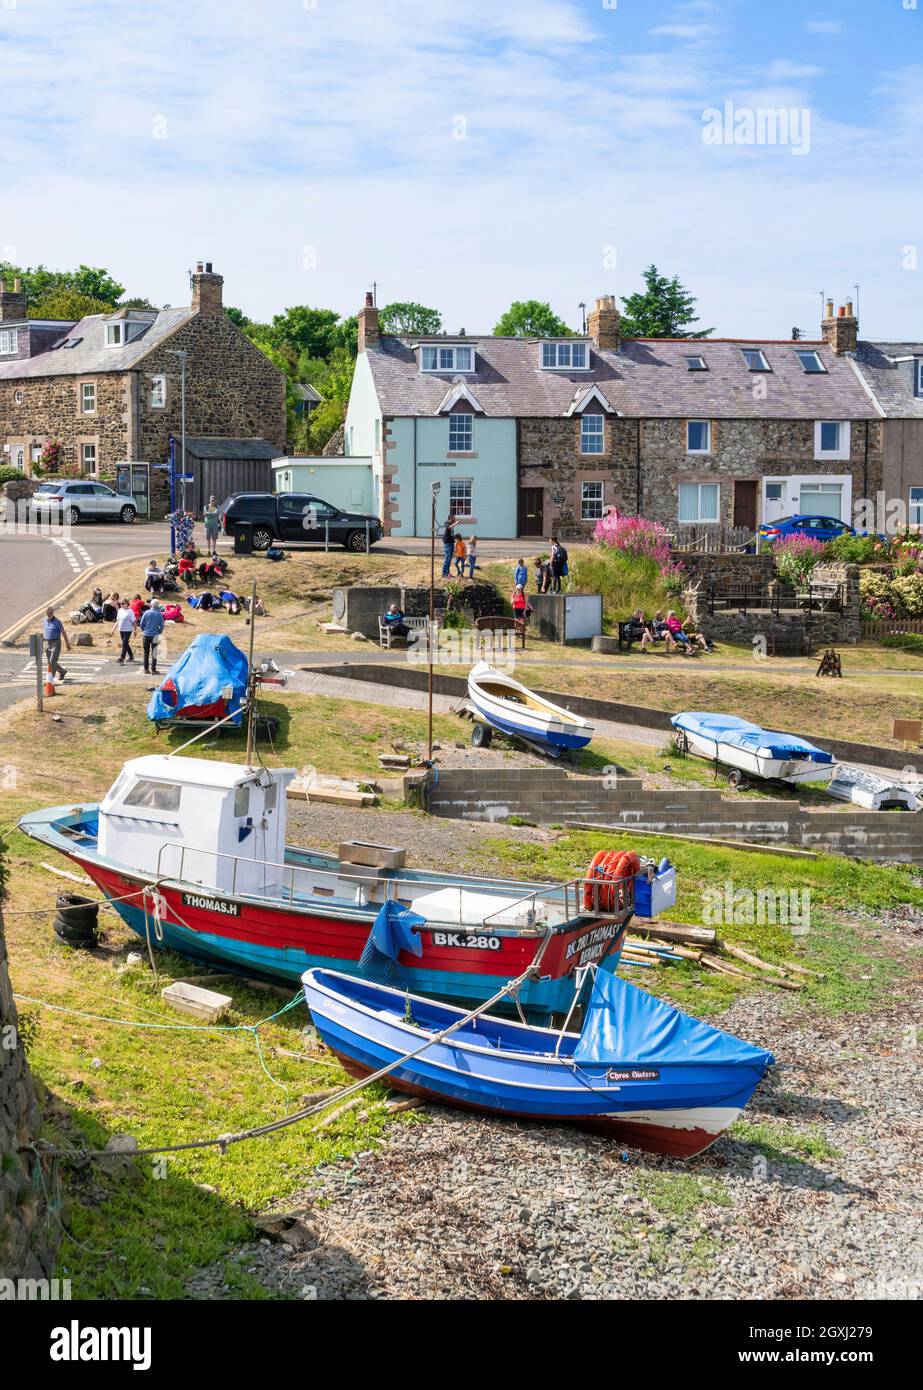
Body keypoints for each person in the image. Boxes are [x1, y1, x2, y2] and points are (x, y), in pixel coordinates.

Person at [42, 607, 71, 682]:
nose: (49, 615)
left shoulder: (58, 622)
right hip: (47, 643)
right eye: (47, 613)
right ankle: (62, 671)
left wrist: (67, 643)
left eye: (50, 613)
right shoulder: (44, 621)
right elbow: (45, 630)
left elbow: (63, 632)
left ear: (53, 613)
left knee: (52, 662)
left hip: (56, 643)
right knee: (50, 662)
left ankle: (50, 680)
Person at [139, 600, 165, 675]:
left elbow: (141, 623)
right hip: (155, 635)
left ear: (151, 605)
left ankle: (146, 669)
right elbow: (162, 625)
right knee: (154, 653)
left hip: (146, 634)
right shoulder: (159, 614)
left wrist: (144, 629)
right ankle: (153, 669)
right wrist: (159, 631)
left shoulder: (146, 612)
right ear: (158, 606)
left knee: (146, 653)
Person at [112, 600, 137, 664]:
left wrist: (135, 630)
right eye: (121, 603)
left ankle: (122, 658)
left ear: (127, 604)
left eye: (123, 603)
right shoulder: (120, 610)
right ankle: (131, 656)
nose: (121, 605)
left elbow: (134, 621)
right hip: (121, 629)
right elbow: (118, 620)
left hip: (128, 630)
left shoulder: (130, 611)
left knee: (124, 643)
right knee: (125, 643)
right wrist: (113, 629)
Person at [441, 514, 456, 578]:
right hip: (448, 544)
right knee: (447, 559)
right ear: (451, 518)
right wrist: (456, 523)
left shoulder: (450, 524)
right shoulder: (447, 523)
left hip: (451, 543)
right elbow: (448, 527)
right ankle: (444, 574)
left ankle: (448, 573)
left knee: (449, 559)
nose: (455, 519)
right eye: (454, 518)